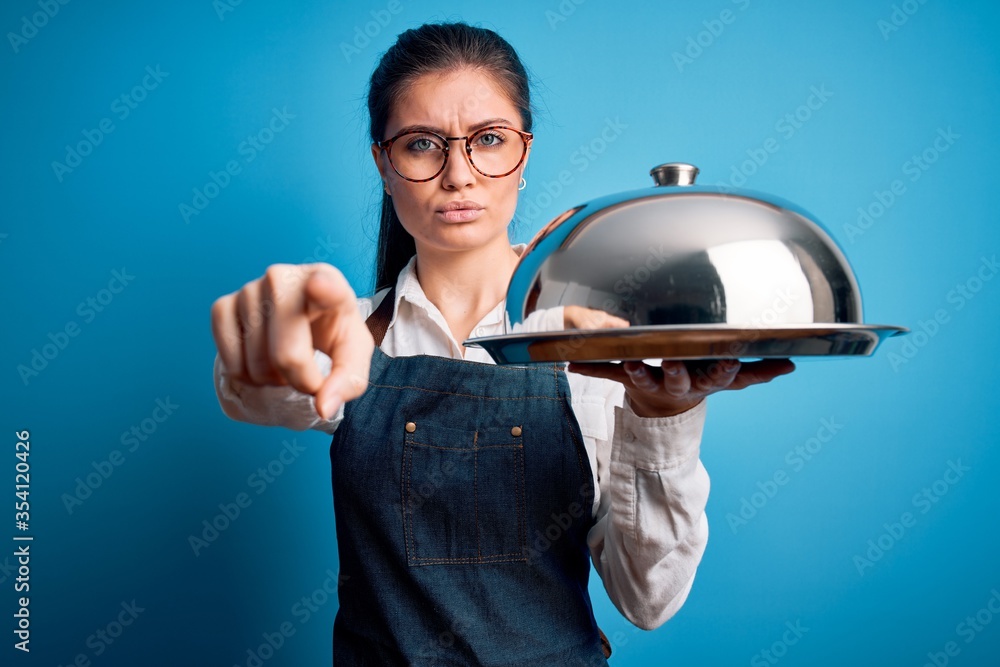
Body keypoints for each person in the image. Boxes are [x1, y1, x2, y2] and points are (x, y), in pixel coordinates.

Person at [210, 21, 794, 665]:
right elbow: (255, 388)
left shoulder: (597, 347)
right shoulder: (351, 334)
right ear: (383, 164)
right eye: (421, 145)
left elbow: (648, 600)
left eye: (488, 139)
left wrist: (663, 417)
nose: (458, 174)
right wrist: (263, 330)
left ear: (524, 154)